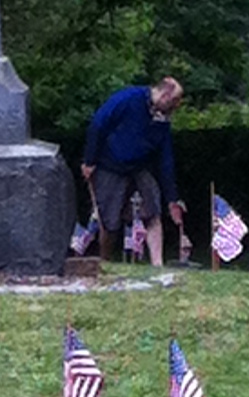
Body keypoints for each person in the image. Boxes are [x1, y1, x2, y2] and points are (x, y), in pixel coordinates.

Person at [80, 74, 186, 263]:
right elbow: (98, 124)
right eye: (175, 102)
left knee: (153, 214)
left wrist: (172, 199)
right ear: (165, 97)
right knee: (109, 222)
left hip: (140, 167)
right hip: (111, 165)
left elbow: (165, 159)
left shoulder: (162, 120)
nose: (175, 108)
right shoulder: (128, 99)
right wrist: (90, 161)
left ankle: (157, 265)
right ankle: (104, 261)